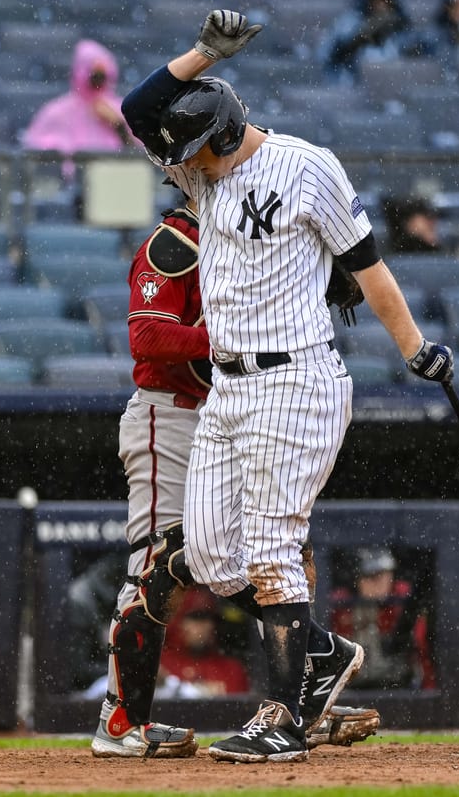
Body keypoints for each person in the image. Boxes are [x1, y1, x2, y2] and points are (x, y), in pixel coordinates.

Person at [121, 9, 454, 763]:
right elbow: (138, 113)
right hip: (228, 388)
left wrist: (414, 349)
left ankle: (284, 720)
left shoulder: (307, 166)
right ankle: (321, 660)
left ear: (227, 136)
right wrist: (201, 54)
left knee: (272, 549)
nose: (186, 171)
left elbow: (369, 267)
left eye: (198, 156)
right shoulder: (199, 166)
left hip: (295, 378)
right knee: (212, 555)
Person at [91, 191, 380, 758]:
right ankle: (122, 720)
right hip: (170, 415)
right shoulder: (175, 241)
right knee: (157, 562)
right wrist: (236, 336)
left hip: (237, 410)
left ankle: (300, 700)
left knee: (270, 555)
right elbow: (147, 338)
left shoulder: (254, 244)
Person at [329, 547, 436, 690]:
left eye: (385, 574)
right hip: (351, 685)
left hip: (397, 683)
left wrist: (429, 689)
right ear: (357, 578)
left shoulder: (403, 600)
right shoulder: (341, 604)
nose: (380, 582)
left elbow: (422, 648)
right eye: (371, 576)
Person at [22, 39, 136, 171]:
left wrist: (119, 126)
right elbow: (35, 151)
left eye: (102, 76)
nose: (98, 82)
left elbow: (138, 156)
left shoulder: (121, 109)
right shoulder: (58, 112)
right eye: (94, 76)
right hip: (70, 181)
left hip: (113, 177)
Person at [158, 587, 251, 696]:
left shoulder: (231, 670)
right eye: (196, 618)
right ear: (179, 622)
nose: (207, 626)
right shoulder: (160, 666)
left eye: (210, 618)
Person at [321, 0, 415, 85]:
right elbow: (326, 53)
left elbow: (407, 55)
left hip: (394, 83)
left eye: (385, 0)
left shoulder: (401, 27)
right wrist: (356, 41)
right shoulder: (350, 23)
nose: (380, 4)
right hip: (352, 82)